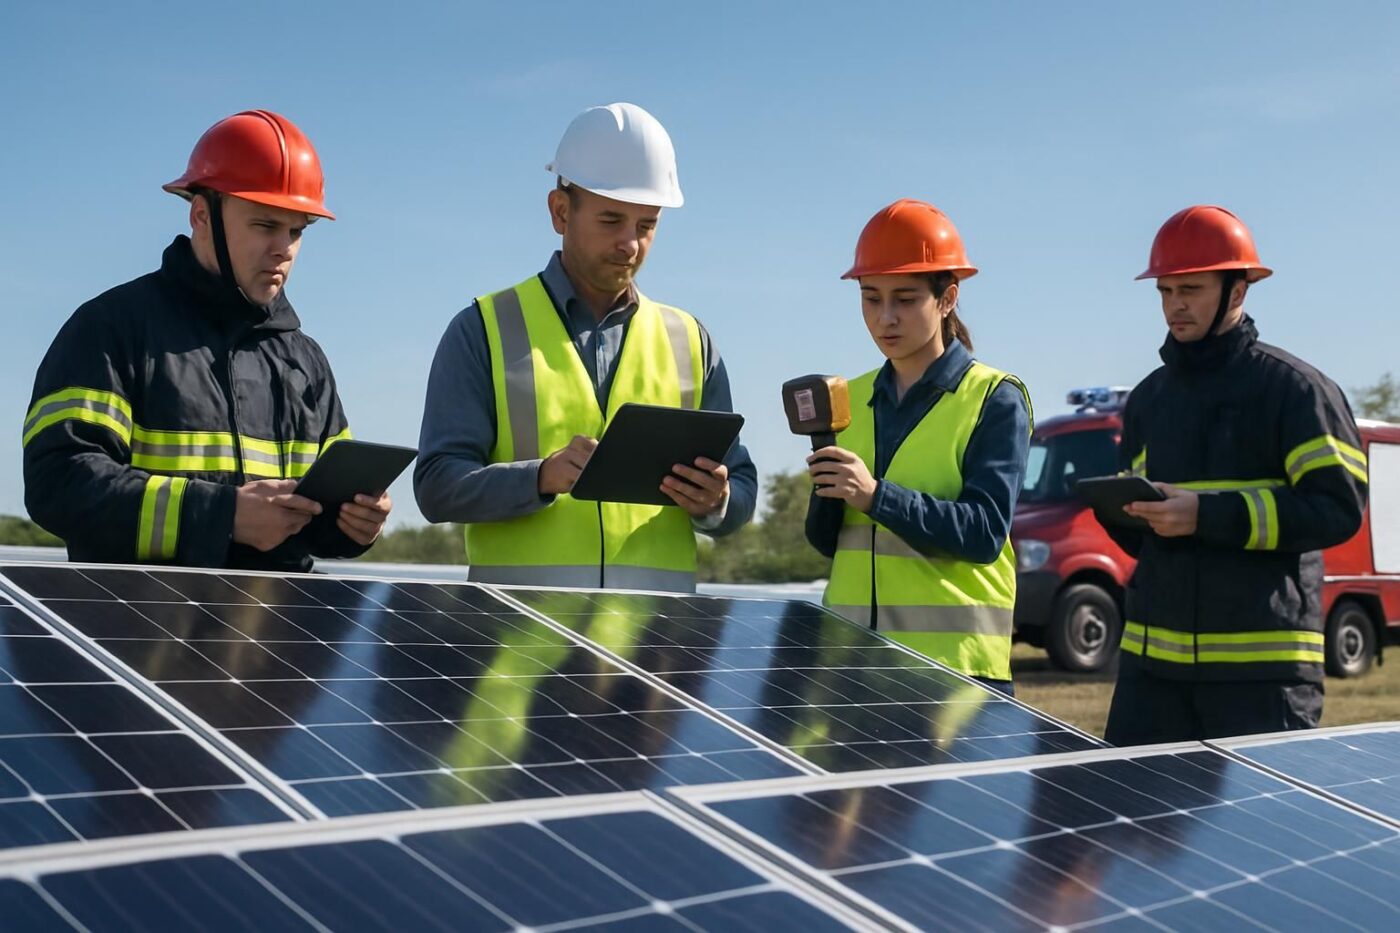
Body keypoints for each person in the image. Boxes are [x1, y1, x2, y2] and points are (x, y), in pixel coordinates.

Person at [23, 110, 391, 570]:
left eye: (296, 231)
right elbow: (58, 484)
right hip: (141, 629)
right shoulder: (109, 329)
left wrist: (353, 524)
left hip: (275, 633)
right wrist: (223, 515)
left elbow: (316, 516)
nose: (285, 248)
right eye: (265, 225)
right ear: (201, 215)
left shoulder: (305, 360)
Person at [415, 102, 756, 592]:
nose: (630, 244)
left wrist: (716, 503)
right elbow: (437, 486)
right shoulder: (483, 329)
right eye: (611, 220)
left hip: (654, 648)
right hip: (519, 649)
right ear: (560, 211)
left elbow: (740, 487)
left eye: (646, 225)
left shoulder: (690, 341)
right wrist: (539, 478)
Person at [1103, 205, 1368, 744]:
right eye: (1165, 292)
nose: (1175, 306)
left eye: (1191, 290)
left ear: (1238, 291)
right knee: (1128, 827)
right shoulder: (1149, 400)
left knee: (1258, 831)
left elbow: (1337, 508)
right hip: (1150, 677)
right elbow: (1140, 534)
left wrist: (1206, 515)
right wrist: (1128, 514)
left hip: (1261, 678)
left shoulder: (1296, 391)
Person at [806, 199, 1032, 693]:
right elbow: (828, 543)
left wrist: (874, 495)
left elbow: (984, 533)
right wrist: (827, 490)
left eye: (904, 299)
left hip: (957, 674)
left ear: (947, 298)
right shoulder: (849, 398)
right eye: (871, 298)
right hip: (852, 668)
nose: (885, 317)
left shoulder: (994, 399)